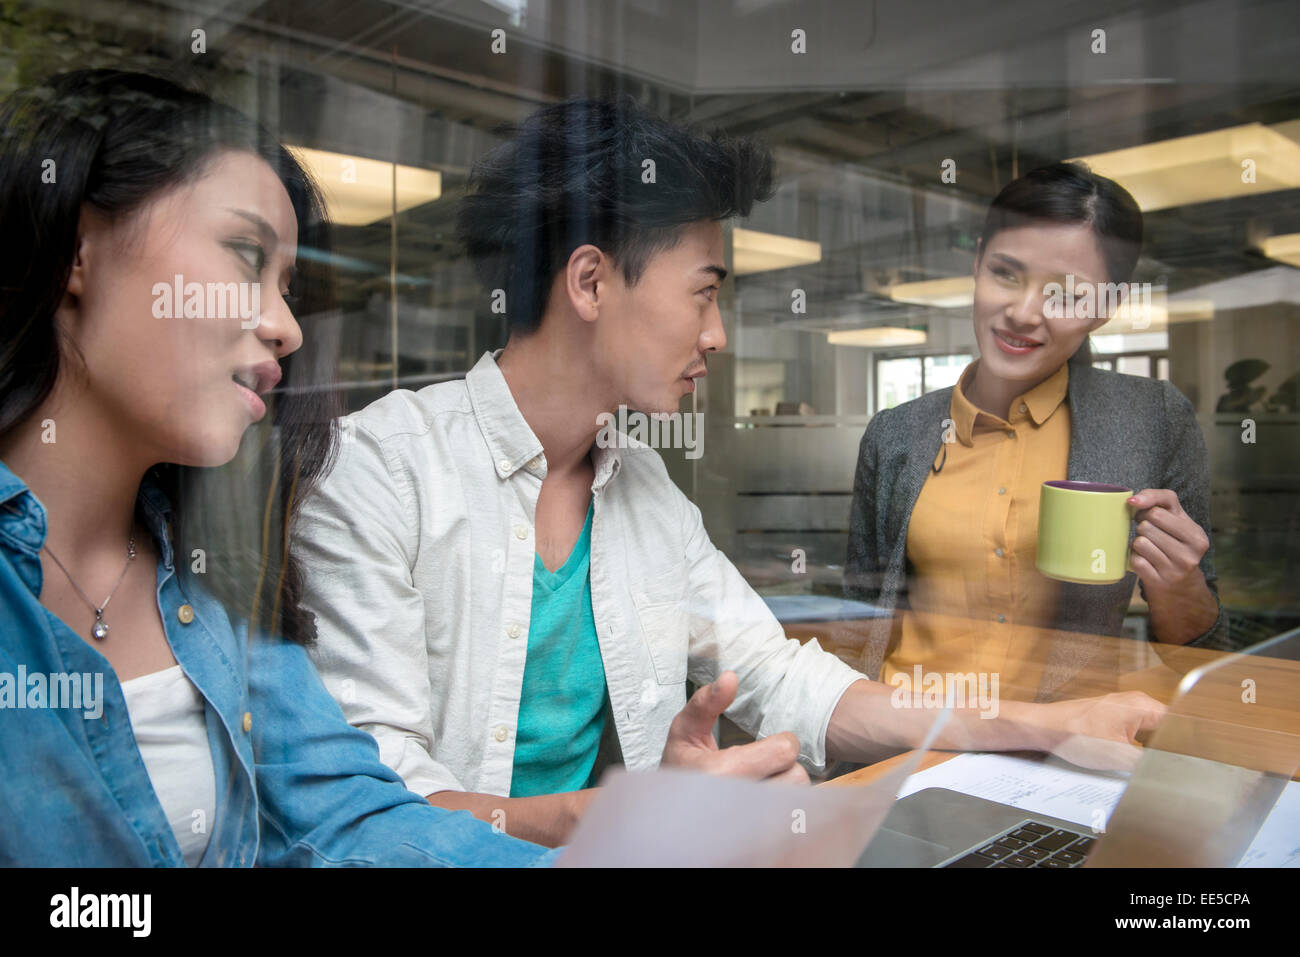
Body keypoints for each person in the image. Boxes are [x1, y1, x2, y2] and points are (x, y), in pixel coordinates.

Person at [294, 101, 1169, 848]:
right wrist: (618, 816)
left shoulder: (642, 490)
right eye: (704, 292)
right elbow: (374, 812)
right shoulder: (379, 471)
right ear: (592, 282)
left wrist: (1046, 725)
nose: (716, 335)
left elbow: (786, 679)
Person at [0, 69, 555, 866]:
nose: (287, 327)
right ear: (80, 251)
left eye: (288, 285)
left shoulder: (210, 585)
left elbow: (347, 818)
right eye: (243, 255)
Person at [845, 162, 1236, 703]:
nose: (1024, 313)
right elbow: (859, 625)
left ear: (1105, 309)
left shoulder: (1153, 420)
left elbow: (1200, 655)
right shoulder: (896, 434)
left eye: (1068, 295)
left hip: (1063, 752)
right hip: (912, 737)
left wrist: (1180, 584)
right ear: (977, 261)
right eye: (1005, 273)